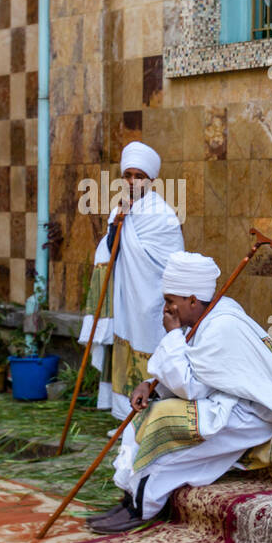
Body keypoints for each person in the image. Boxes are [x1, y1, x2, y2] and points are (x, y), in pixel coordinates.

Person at [89, 252, 272, 534]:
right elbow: (195, 370)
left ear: (193, 301)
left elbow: (191, 386)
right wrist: (151, 384)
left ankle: (142, 506)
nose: (167, 310)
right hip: (225, 401)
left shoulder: (222, 325)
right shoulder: (207, 316)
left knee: (164, 428)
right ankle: (131, 496)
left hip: (253, 416)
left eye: (171, 302)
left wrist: (172, 335)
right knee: (151, 414)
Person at [79, 141, 184, 420]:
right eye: (128, 175)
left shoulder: (162, 214)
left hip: (153, 298)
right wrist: (117, 225)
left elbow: (172, 260)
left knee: (151, 346)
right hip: (126, 296)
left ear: (150, 180)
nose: (133, 181)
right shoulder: (119, 210)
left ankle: (150, 416)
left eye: (139, 176)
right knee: (125, 345)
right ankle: (123, 414)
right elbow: (111, 250)